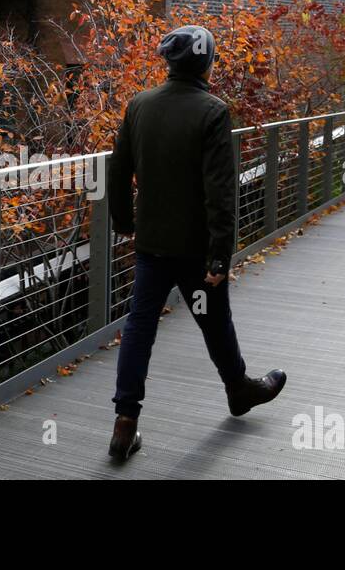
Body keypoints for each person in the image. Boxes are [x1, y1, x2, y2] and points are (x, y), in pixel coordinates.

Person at [106, 25, 287, 461]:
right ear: (207, 62)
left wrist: (124, 222)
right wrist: (220, 254)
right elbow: (221, 190)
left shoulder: (139, 105)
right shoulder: (213, 111)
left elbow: (116, 170)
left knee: (139, 328)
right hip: (195, 249)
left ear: (169, 61)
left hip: (152, 245)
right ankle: (238, 390)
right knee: (212, 318)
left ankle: (125, 422)